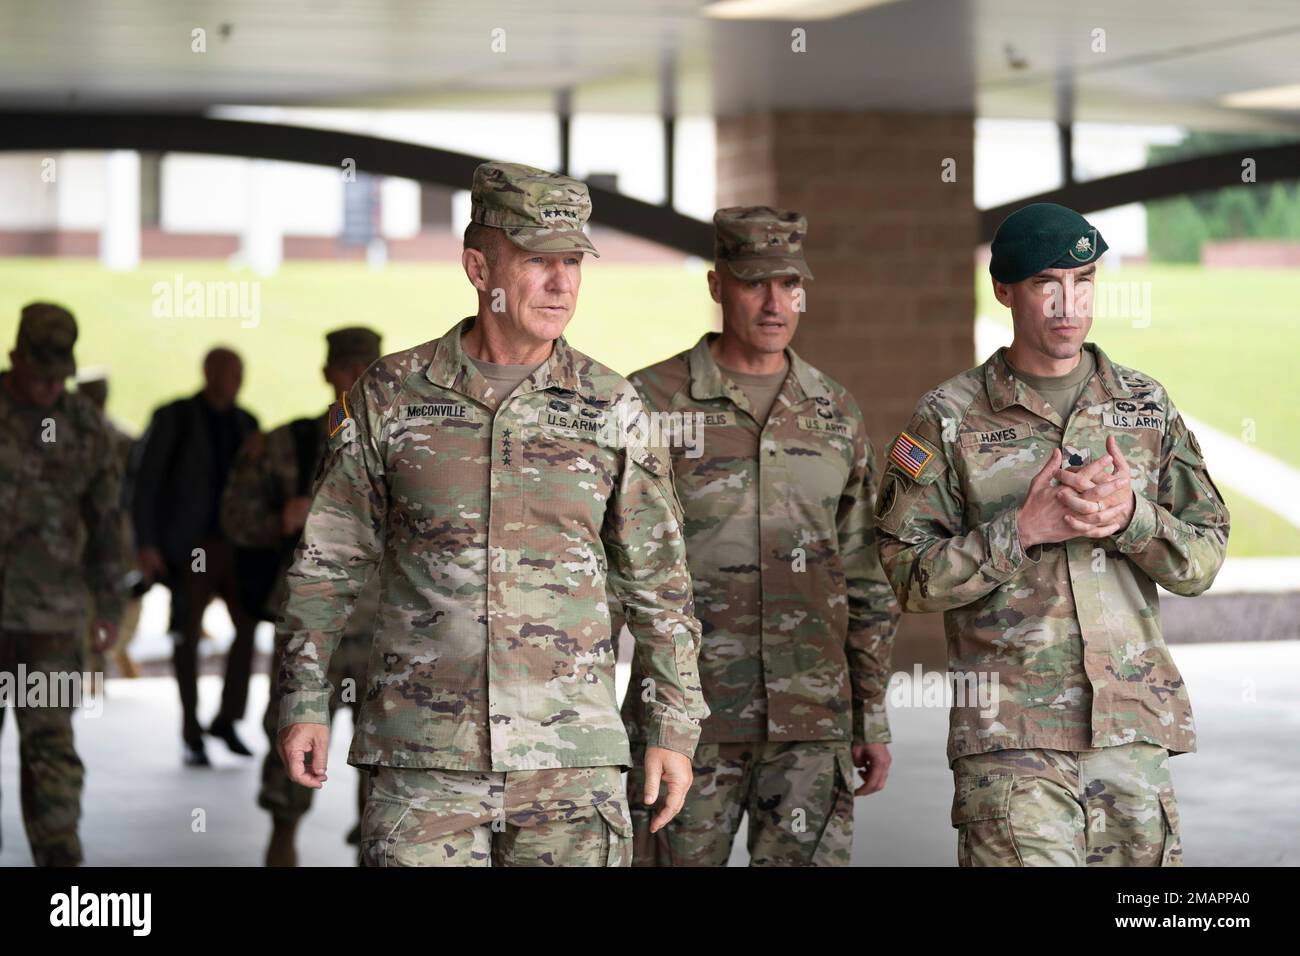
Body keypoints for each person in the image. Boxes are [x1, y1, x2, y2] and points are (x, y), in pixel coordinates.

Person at [276, 161, 708, 867]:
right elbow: (328, 563)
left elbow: (658, 584)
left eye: (572, 261)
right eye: (538, 261)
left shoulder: (613, 405)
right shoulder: (389, 395)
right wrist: (303, 700)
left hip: (570, 765)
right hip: (423, 762)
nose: (562, 283)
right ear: (479, 267)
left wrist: (672, 726)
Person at [874, 202, 1230, 866]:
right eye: (1047, 284)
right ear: (1005, 290)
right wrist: (1020, 531)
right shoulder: (947, 418)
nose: (1069, 304)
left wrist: (1133, 520)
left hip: (1133, 734)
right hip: (1012, 742)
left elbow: (1205, 558)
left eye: (1084, 281)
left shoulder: (1145, 407)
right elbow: (903, 573)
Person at [620, 207, 900, 866]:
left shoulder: (834, 410)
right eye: (754, 284)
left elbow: (865, 576)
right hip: (687, 725)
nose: (775, 303)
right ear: (718, 285)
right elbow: (612, 569)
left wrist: (870, 716)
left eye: (789, 284)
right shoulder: (652, 402)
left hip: (811, 723)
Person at [221, 327, 383, 866]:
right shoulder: (287, 444)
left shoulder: (414, 444)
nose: (358, 379)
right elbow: (233, 519)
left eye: (368, 366)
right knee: (291, 745)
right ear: (328, 373)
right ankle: (283, 839)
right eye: (347, 368)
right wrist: (278, 519)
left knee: (388, 764)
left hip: (388, 629)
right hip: (313, 628)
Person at [0, 303, 124, 866]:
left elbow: (106, 525)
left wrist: (110, 606)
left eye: (59, 376)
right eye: (39, 374)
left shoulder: (84, 427)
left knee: (50, 753)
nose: (50, 387)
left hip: (50, 626)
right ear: (13, 357)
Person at [132, 347, 259, 765]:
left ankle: (227, 718)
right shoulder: (175, 418)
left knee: (246, 627)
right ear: (208, 372)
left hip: (234, 548)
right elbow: (145, 481)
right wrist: (147, 544)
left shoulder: (246, 423)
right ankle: (191, 729)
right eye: (227, 371)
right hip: (192, 548)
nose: (235, 379)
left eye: (239, 372)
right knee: (187, 635)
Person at [76, 367, 142, 682]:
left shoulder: (68, 436)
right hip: (111, 530)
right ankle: (97, 666)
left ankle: (94, 668)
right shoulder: (123, 439)